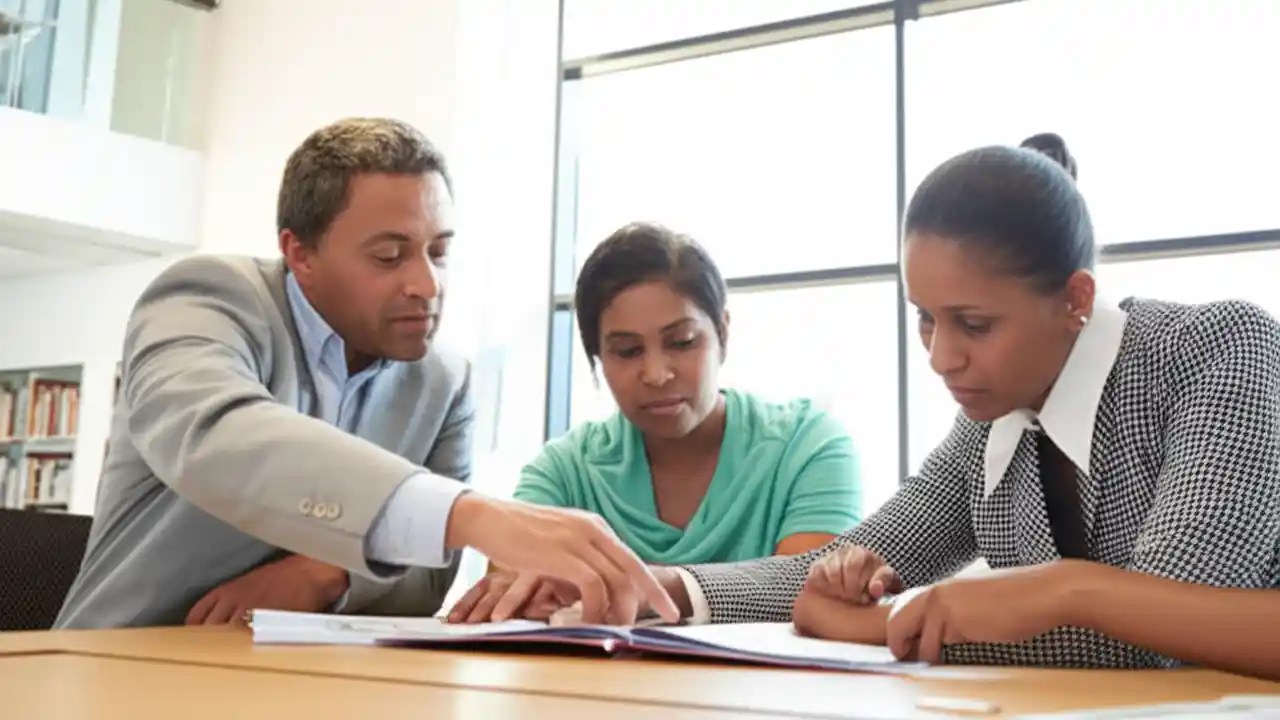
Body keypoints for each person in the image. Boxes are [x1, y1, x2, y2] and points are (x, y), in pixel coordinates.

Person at [576, 134, 1280, 671]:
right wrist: (662, 586)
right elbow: (833, 569)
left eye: (974, 325)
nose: (941, 357)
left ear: (1075, 300)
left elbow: (1167, 622)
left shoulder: (1219, 350)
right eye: (925, 319)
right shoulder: (991, 421)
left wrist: (884, 624)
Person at [55, 117, 675, 629]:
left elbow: (429, 575)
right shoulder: (208, 298)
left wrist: (326, 572)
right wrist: (476, 514)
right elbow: (216, 434)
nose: (427, 285)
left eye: (439, 252)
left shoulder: (443, 380)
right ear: (299, 253)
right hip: (127, 659)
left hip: (307, 680)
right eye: (389, 255)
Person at [447, 222, 862, 623]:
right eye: (627, 351)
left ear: (723, 333)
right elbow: (506, 594)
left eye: (682, 343)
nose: (657, 373)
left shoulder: (809, 446)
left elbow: (811, 594)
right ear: (598, 360)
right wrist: (518, 599)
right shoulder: (564, 472)